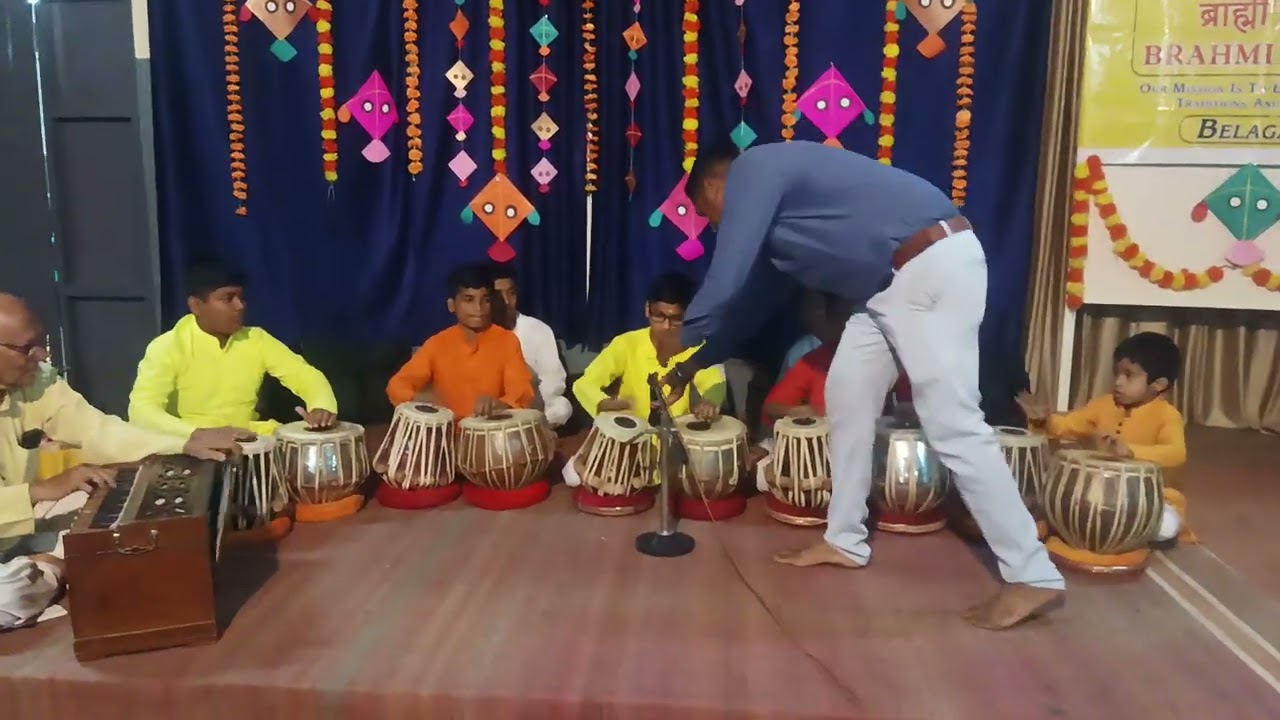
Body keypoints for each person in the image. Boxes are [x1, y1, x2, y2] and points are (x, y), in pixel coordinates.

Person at [659, 141, 1065, 630]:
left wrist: (680, 333)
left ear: (714, 186)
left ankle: (1032, 573)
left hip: (928, 263)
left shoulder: (755, 168)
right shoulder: (779, 226)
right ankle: (845, 539)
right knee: (847, 395)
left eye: (711, 216)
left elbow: (726, 278)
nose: (720, 228)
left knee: (954, 424)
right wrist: (692, 362)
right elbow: (749, 305)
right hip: (885, 291)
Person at [0, 293, 241, 630]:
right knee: (9, 593)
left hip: (18, 536)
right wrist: (38, 491)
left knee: (97, 497)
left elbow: (98, 431)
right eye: (26, 349)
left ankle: (45, 570)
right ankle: (51, 570)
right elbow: (41, 492)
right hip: (16, 534)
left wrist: (185, 442)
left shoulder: (35, 382)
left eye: (40, 343)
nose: (39, 355)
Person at [128, 261, 339, 437]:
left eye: (241, 298)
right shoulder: (168, 346)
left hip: (250, 442)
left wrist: (321, 406)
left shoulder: (255, 339)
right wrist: (199, 434)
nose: (240, 306)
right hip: (189, 449)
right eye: (228, 299)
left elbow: (305, 375)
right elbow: (142, 412)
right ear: (196, 306)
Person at [1017, 331, 1192, 543]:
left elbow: (1176, 452)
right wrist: (1043, 421)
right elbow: (1067, 425)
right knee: (1055, 500)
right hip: (1100, 495)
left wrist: (1131, 451)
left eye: (1129, 375)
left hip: (1151, 501)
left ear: (1158, 384)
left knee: (1165, 526)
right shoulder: (1103, 405)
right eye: (1116, 373)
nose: (1118, 382)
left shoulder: (1168, 415)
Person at [565, 272, 726, 488]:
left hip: (673, 445)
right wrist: (604, 404)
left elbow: (714, 380)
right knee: (574, 476)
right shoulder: (626, 344)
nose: (667, 326)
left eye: (676, 319)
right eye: (659, 316)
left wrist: (710, 401)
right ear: (647, 310)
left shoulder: (694, 348)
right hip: (629, 441)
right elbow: (585, 383)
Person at [386, 263, 534, 419]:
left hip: (490, 435)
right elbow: (396, 386)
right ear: (452, 305)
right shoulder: (437, 344)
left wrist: (498, 404)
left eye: (486, 300)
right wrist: (418, 398)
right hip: (446, 435)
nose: (478, 308)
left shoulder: (507, 341)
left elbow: (521, 391)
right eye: (469, 300)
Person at [488, 263, 572, 429]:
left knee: (562, 407)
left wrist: (527, 404)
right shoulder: (479, 329)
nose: (506, 301)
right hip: (493, 404)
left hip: (532, 404)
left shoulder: (538, 329)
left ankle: (536, 432)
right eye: (499, 295)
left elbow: (553, 379)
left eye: (511, 293)